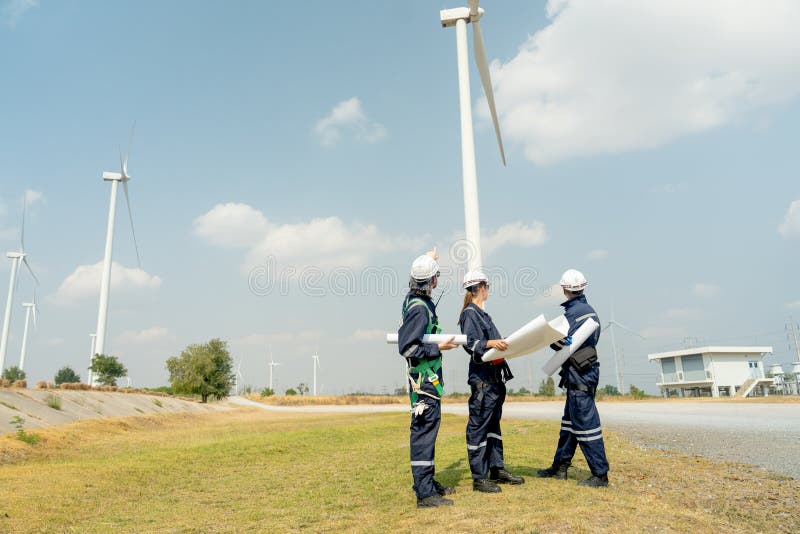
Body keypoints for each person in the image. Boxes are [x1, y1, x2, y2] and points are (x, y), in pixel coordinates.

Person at [397, 248, 459, 508]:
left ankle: (428, 483)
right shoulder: (420, 310)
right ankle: (424, 493)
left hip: (427, 380)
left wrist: (428, 260)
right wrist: (438, 348)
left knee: (428, 434)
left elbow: (420, 281)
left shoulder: (413, 298)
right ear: (433, 281)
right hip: (424, 383)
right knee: (423, 434)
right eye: (435, 277)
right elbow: (407, 347)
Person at [537, 269, 610, 487]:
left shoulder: (571, 314)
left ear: (564, 289)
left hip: (580, 374)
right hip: (584, 372)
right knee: (569, 424)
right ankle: (560, 467)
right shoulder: (590, 311)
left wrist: (550, 339)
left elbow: (560, 342)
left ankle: (600, 474)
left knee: (587, 425)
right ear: (583, 287)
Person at [458, 270, 525, 493]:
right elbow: (470, 343)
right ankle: (479, 477)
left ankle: (497, 468)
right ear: (481, 288)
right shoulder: (470, 313)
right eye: (487, 286)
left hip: (494, 380)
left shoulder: (482, 314)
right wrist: (491, 343)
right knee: (478, 428)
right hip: (483, 381)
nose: (489, 290)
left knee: (493, 426)